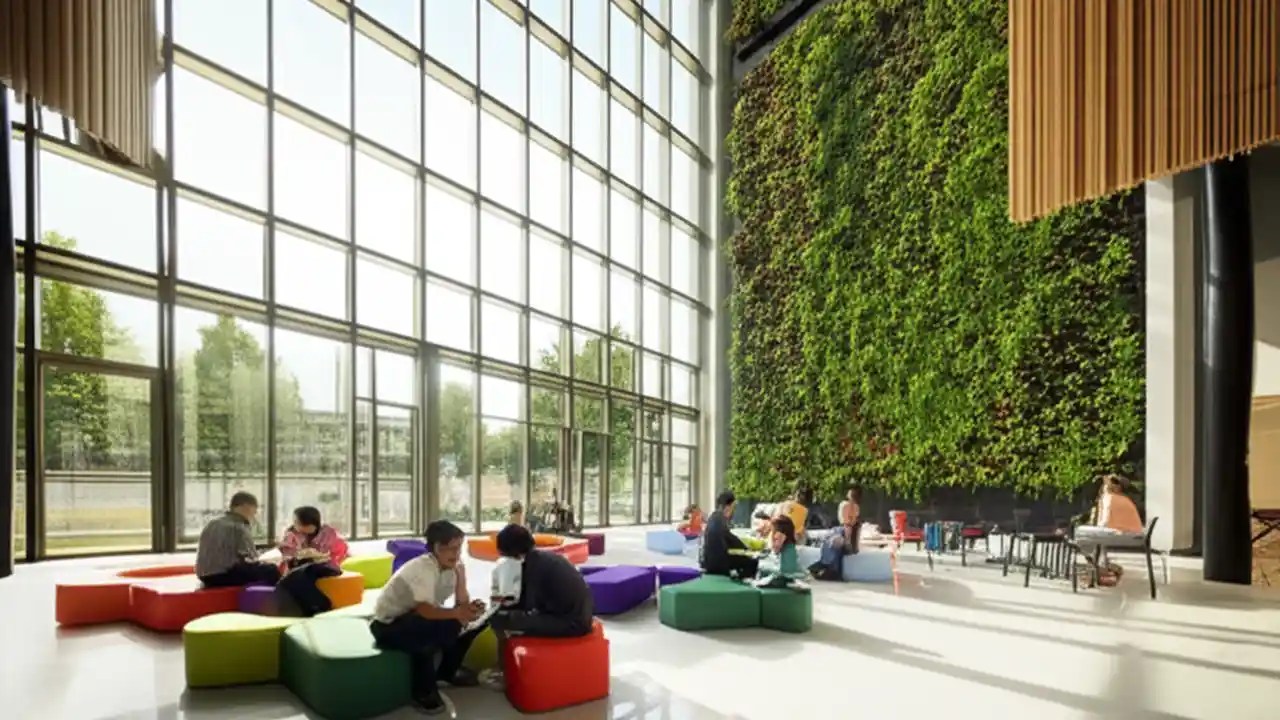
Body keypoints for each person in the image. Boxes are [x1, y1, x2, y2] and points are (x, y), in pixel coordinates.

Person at [369, 520, 486, 714]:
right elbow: (425, 610)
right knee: (426, 642)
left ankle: (447, 673)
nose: (455, 554)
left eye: (458, 548)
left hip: (415, 618)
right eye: (448, 549)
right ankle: (423, 692)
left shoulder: (455, 566)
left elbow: (461, 603)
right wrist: (458, 614)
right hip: (387, 625)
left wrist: (469, 606)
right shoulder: (422, 568)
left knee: (468, 626)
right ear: (434, 548)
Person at [483, 524, 595, 689]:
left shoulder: (534, 568)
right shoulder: (542, 559)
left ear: (515, 554)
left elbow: (527, 605)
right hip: (577, 615)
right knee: (506, 615)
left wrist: (500, 609)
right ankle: (505, 666)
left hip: (571, 623)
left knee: (500, 619)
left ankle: (503, 672)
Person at [196, 492, 281, 588]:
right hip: (222, 575)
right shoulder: (239, 526)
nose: (255, 513)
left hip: (203, 575)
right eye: (255, 509)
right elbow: (251, 559)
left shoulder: (212, 523)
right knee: (272, 570)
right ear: (246, 506)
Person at [1073, 475, 1146, 586]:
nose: (1104, 486)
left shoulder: (1110, 498)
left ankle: (1099, 569)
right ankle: (1103, 567)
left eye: (1107, 484)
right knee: (1094, 537)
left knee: (1081, 533)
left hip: (1125, 535)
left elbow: (1104, 523)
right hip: (1132, 535)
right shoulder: (1122, 499)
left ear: (1116, 487)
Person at [276, 506, 348, 616]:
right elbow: (287, 552)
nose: (296, 526)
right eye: (295, 522)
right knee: (296, 578)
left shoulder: (328, 533)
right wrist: (299, 555)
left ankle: (321, 605)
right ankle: (314, 608)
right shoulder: (291, 533)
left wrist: (318, 555)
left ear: (312, 523)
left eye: (299, 523)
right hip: (299, 567)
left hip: (325, 566)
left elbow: (338, 552)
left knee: (293, 578)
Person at [700, 490, 759, 578]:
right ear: (729, 506)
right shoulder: (719, 519)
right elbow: (730, 539)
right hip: (718, 563)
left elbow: (727, 538)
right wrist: (746, 548)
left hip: (708, 560)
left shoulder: (714, 517)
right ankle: (744, 583)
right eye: (733, 507)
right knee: (752, 562)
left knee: (741, 559)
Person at [755, 515, 807, 589]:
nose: (771, 536)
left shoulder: (789, 550)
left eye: (772, 532)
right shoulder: (784, 549)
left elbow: (784, 573)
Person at [838, 486, 863, 554]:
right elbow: (842, 518)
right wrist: (848, 523)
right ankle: (847, 547)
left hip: (851, 524)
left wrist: (853, 522)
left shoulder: (856, 506)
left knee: (856, 527)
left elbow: (856, 517)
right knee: (848, 529)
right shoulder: (844, 504)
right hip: (845, 525)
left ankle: (854, 547)